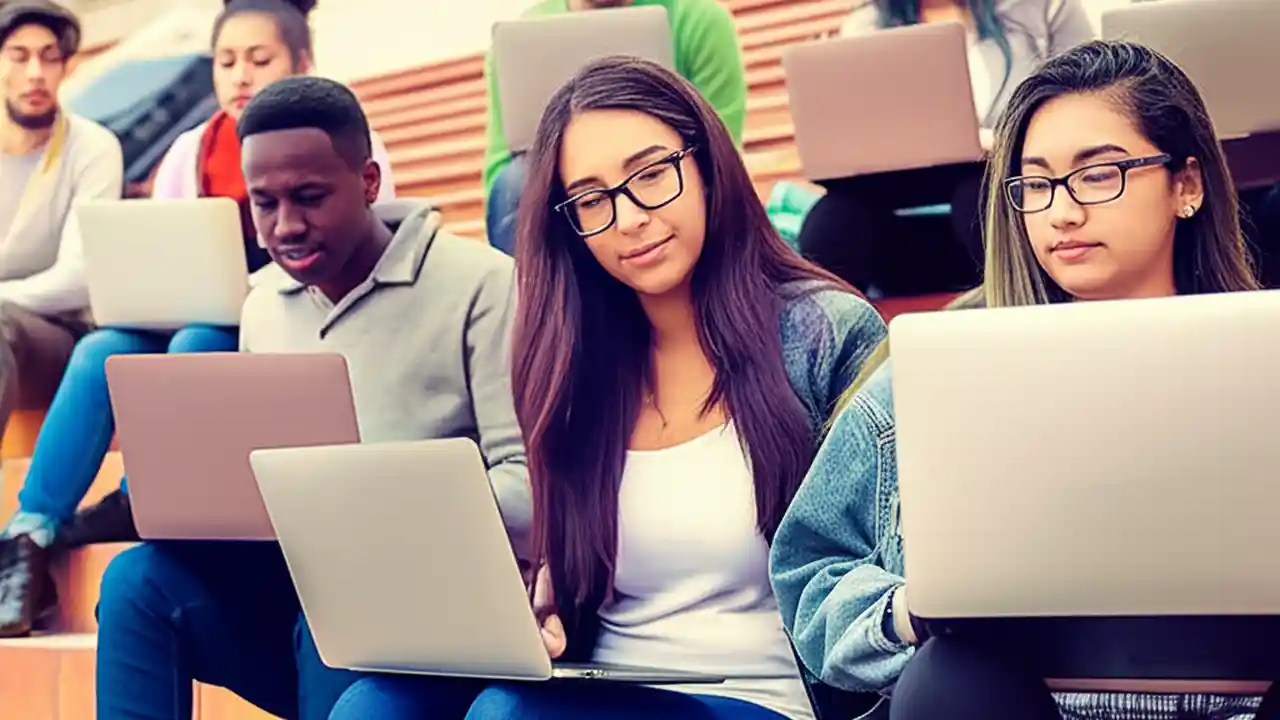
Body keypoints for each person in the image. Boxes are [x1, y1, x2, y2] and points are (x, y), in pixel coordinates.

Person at [328, 55, 887, 720]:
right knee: (375, 703)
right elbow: (571, 587)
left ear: (706, 165)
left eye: (651, 175)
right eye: (592, 199)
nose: (628, 218)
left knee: (509, 718)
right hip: (595, 685)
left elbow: (879, 565)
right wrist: (538, 610)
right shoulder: (571, 360)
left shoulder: (825, 335)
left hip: (761, 695)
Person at [770, 40, 1280, 719]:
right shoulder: (936, 373)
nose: (1061, 211)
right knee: (947, 680)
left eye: (1098, 175)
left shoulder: (1263, 356)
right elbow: (812, 576)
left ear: (1187, 184)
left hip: (1246, 701)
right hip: (1009, 702)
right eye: (1036, 184)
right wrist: (912, 615)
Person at [93, 76, 526, 720]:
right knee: (135, 583)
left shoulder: (484, 286)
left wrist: (364, 514)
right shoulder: (263, 300)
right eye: (263, 204)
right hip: (300, 588)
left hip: (422, 603)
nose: (285, 226)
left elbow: (529, 491)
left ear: (370, 182)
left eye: (310, 197)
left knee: (338, 598)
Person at [0, 0, 397, 639]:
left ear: (302, 62)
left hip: (281, 315)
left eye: (259, 59)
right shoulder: (191, 151)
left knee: (199, 336)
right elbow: (165, 247)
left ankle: (143, 492)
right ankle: (30, 531)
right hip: (196, 308)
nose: (240, 74)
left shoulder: (346, 139)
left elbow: (368, 245)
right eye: (226, 60)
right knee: (104, 347)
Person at [798, 0, 1094, 297]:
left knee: (978, 198)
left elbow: (1087, 104)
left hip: (996, 184)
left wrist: (1002, 141)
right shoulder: (865, 24)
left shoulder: (1044, 8)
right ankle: (858, 333)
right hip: (894, 195)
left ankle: (1027, 304)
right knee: (832, 222)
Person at [482, 0, 746, 257]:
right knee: (513, 184)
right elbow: (499, 173)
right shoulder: (521, 38)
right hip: (568, 210)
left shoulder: (697, 19)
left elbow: (721, 153)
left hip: (671, 192)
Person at [0, 0, 122, 460]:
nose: (35, 72)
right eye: (18, 55)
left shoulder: (92, 148)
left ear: (66, 67)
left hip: (58, 337)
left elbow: (78, 278)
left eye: (49, 57)